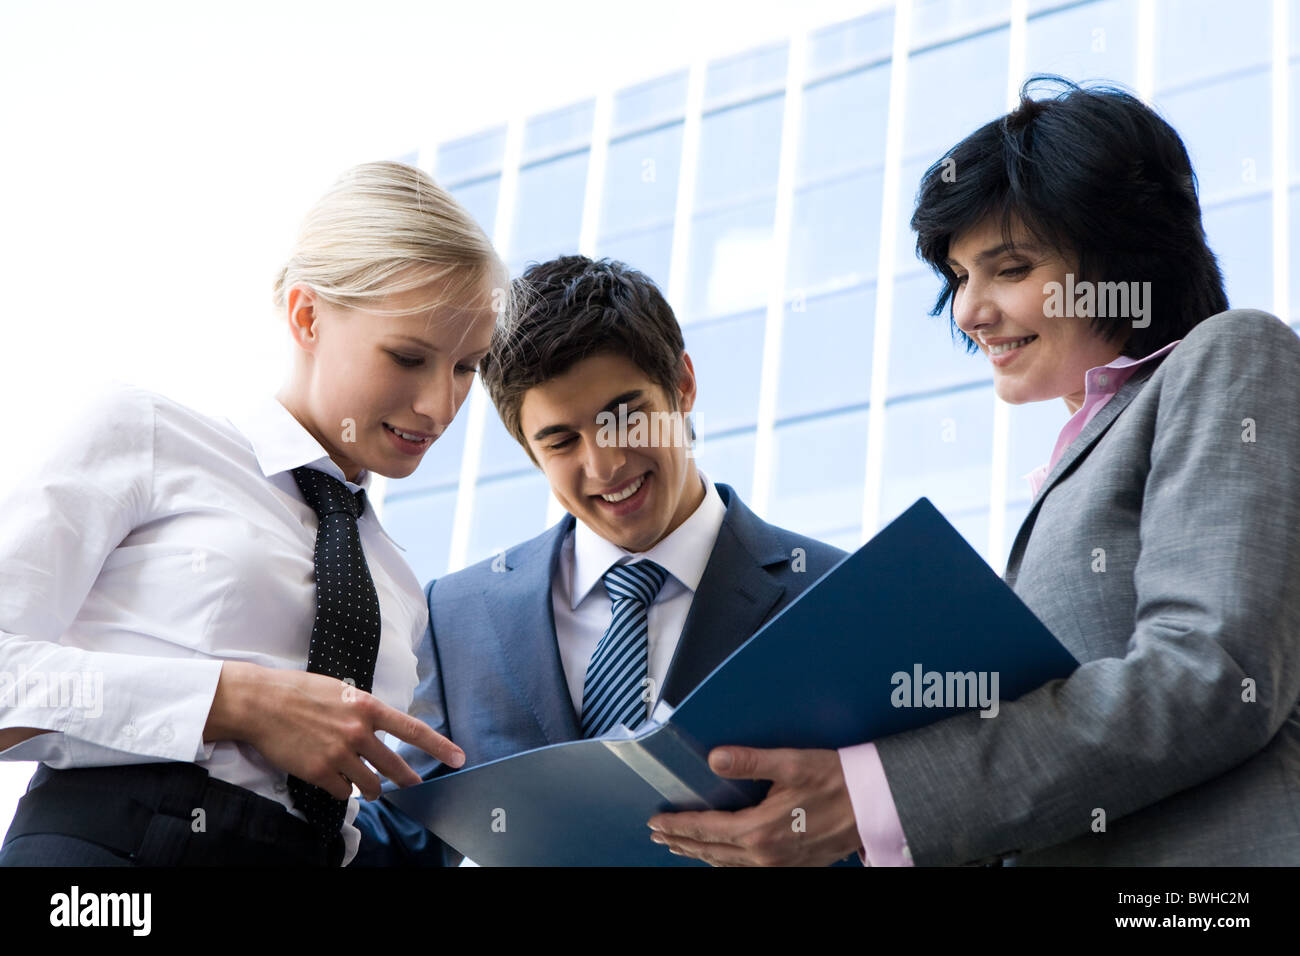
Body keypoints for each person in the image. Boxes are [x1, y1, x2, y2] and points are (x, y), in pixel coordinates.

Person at [647, 77, 1300, 865]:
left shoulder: (1232, 354)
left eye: (1011, 268)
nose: (968, 311)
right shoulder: (1075, 455)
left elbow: (1214, 675)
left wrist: (881, 795)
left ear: (1128, 259)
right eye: (958, 277)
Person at [0, 160, 502, 866]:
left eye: (465, 367)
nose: (439, 407)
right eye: (409, 356)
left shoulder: (396, 583)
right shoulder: (145, 435)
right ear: (307, 316)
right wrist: (234, 699)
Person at [352, 255, 849, 865]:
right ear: (526, 448)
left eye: (626, 416)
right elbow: (409, 838)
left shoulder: (836, 595)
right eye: (561, 440)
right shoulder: (455, 617)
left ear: (684, 384)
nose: (606, 465)